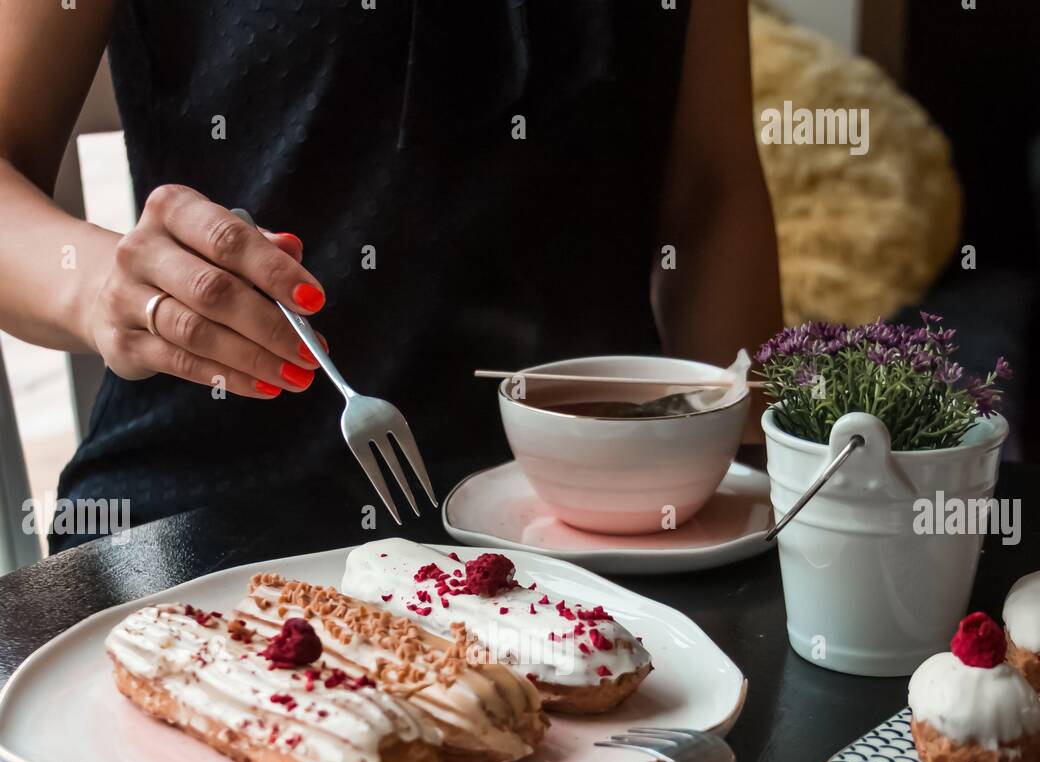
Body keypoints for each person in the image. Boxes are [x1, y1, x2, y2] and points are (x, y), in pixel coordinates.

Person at [0, 0, 782, 548]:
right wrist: (103, 285)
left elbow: (711, 195)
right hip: (203, 514)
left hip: (593, 514)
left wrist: (753, 486)